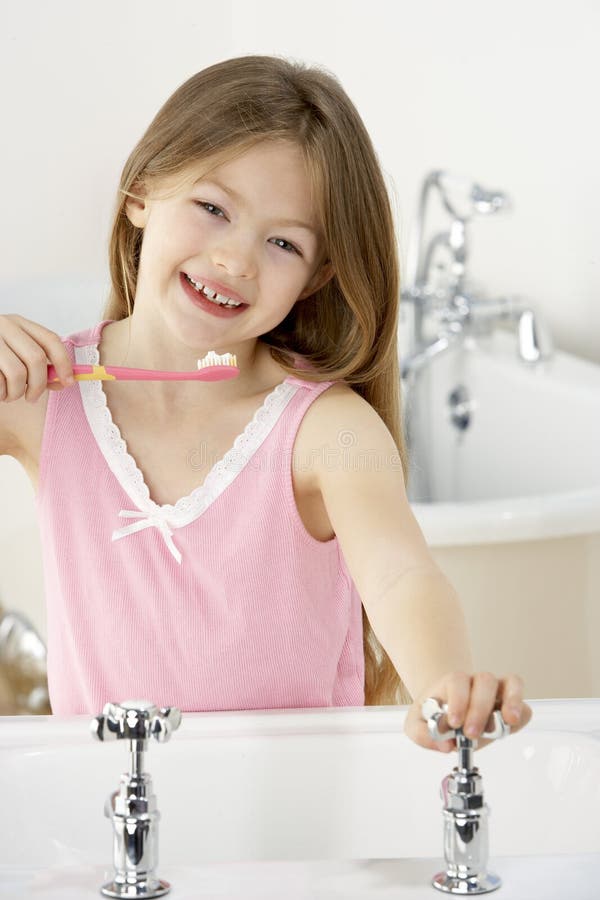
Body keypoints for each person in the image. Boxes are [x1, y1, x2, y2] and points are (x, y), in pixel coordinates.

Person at [0, 54, 531, 751]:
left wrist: (444, 683)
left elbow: (401, 574)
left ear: (316, 277)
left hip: (290, 842)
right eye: (213, 208)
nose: (235, 259)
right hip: (108, 832)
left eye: (283, 242)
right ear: (141, 192)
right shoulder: (45, 397)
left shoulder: (325, 429)